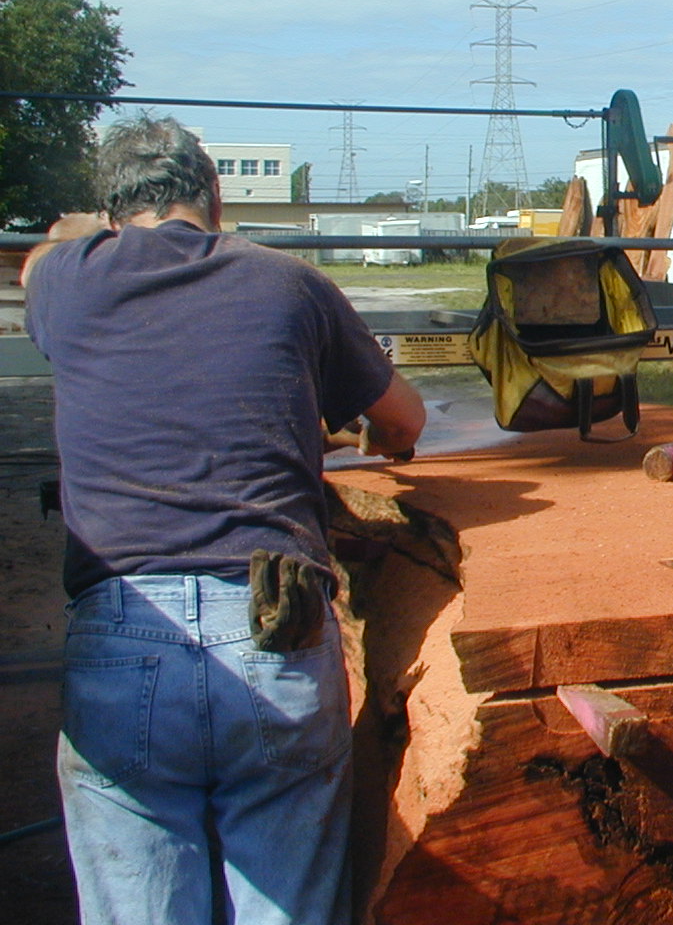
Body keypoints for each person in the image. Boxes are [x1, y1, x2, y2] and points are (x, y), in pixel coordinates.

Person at [23, 116, 426, 925]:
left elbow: (35, 256)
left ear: (111, 214)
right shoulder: (285, 279)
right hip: (275, 619)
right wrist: (377, 440)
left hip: (121, 633)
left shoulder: (66, 277)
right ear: (215, 198)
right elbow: (404, 421)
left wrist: (84, 231)